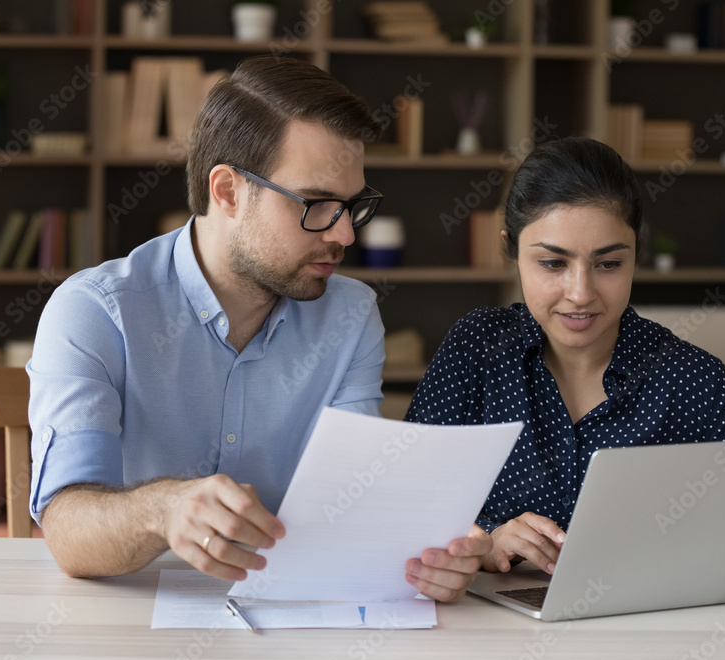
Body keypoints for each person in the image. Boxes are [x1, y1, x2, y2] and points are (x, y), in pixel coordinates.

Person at [27, 56, 489, 602]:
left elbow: (353, 506)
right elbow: (67, 530)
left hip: (293, 615)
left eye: (352, 205)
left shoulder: (351, 315)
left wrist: (431, 555)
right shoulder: (95, 312)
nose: (343, 233)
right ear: (227, 192)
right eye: (317, 204)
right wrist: (165, 508)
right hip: (132, 615)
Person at [404, 137, 725, 575]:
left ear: (636, 252)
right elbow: (403, 503)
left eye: (609, 264)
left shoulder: (683, 375)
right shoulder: (477, 349)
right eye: (553, 264)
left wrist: (669, 531)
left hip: (642, 630)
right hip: (491, 629)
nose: (580, 294)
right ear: (511, 250)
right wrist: (481, 542)